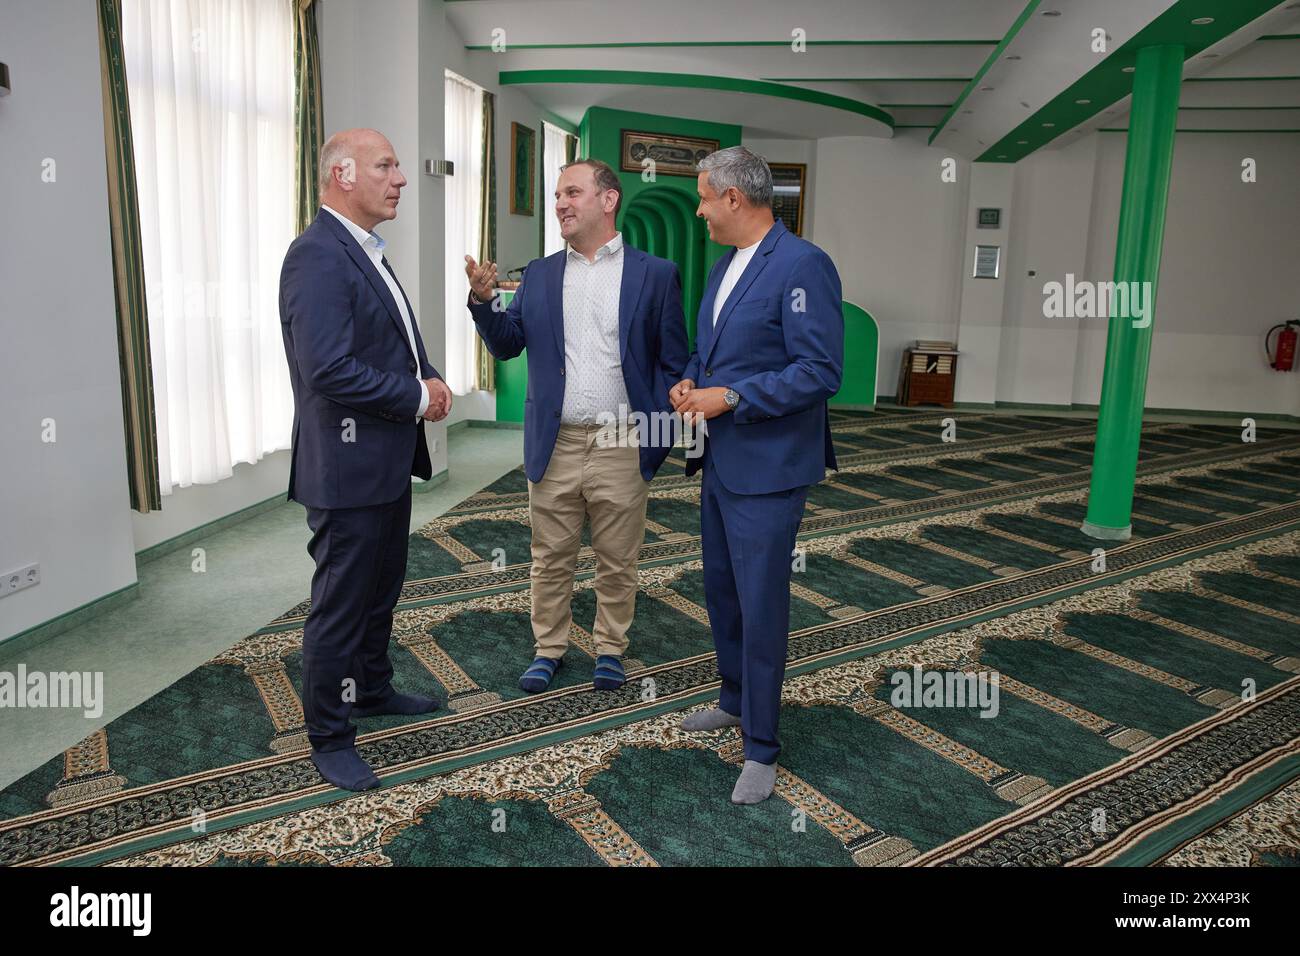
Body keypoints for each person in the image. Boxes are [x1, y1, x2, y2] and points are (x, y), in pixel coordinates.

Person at [464, 158, 688, 694]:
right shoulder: (540, 274)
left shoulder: (654, 274)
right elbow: (508, 343)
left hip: (622, 439)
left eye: (572, 193)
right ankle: (549, 648)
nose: (560, 204)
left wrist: (657, 437)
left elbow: (673, 361)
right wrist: (483, 301)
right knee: (550, 556)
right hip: (556, 439)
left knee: (617, 558)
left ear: (608, 200)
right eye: (557, 196)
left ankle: (610, 648)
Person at [279, 128, 451, 792]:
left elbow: (394, 342)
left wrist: (428, 377)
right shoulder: (318, 255)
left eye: (399, 166)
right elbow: (328, 369)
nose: (400, 178)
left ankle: (371, 688)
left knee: (381, 590)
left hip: (383, 461)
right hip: (347, 470)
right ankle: (328, 735)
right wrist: (415, 395)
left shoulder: (364, 250)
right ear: (343, 175)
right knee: (341, 605)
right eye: (386, 166)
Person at [671, 145, 844, 804]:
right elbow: (710, 350)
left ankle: (763, 748)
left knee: (763, 603)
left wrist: (733, 397)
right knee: (723, 591)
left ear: (734, 199)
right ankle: (735, 698)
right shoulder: (723, 267)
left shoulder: (803, 265)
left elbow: (820, 371)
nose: (699, 209)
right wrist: (694, 378)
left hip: (769, 468)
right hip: (721, 459)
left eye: (704, 198)